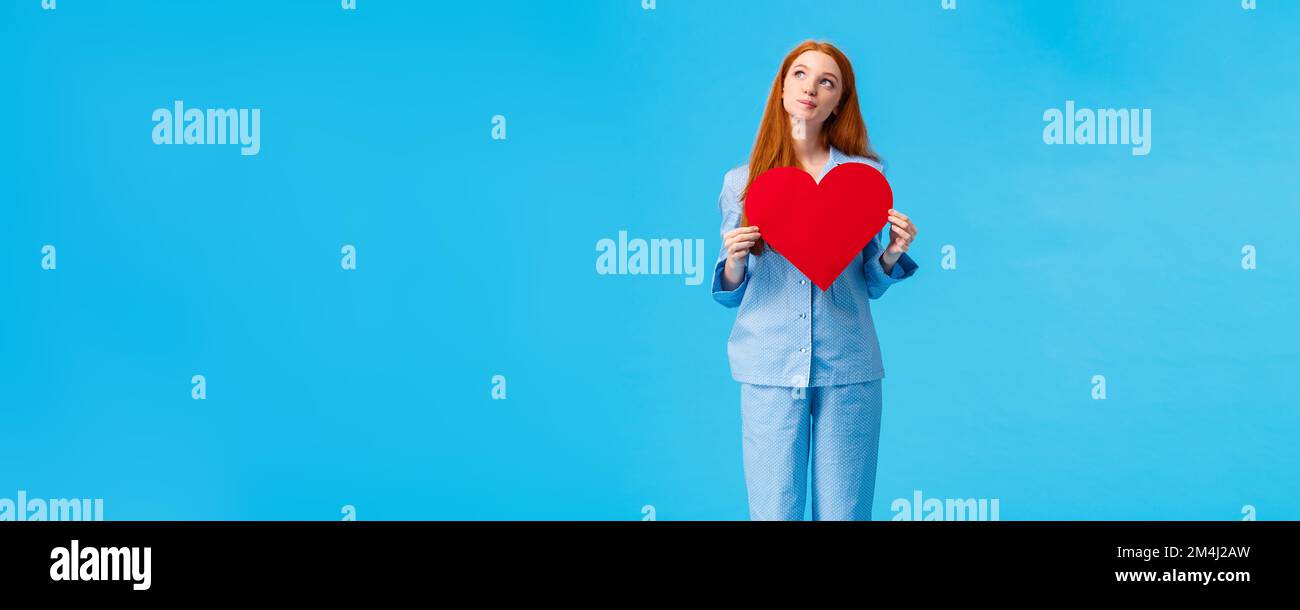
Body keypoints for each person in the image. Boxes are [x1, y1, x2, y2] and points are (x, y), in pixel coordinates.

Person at [711, 39, 920, 520]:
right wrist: (735, 259)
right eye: (801, 75)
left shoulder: (865, 177)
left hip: (848, 365)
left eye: (827, 82)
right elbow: (730, 291)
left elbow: (869, 281)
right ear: (782, 88)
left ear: (838, 102)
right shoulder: (741, 182)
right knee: (773, 511)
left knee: (846, 511)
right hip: (768, 365)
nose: (811, 88)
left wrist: (891, 253)